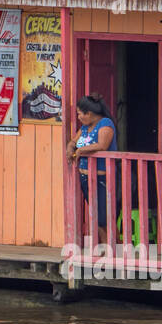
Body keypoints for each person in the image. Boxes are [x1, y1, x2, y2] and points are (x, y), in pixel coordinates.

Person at [66, 93, 118, 232]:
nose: (78, 117)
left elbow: (102, 145)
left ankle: (114, 249)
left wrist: (82, 150)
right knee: (96, 217)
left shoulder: (105, 123)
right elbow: (73, 141)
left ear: (88, 113)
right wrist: (71, 148)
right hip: (85, 177)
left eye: (79, 114)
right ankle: (104, 249)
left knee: (104, 218)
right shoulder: (84, 128)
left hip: (102, 178)